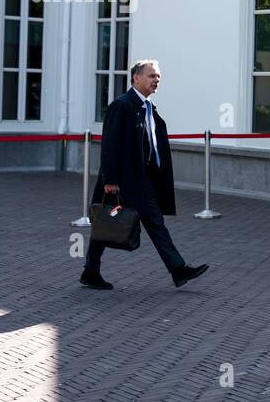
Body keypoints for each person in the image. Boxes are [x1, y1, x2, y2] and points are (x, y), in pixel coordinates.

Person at [80, 59, 209, 290]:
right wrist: (110, 180)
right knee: (110, 223)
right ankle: (178, 269)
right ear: (136, 78)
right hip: (122, 180)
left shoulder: (149, 108)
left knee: (117, 223)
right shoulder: (122, 105)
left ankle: (91, 271)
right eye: (151, 76)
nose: (156, 80)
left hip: (142, 178)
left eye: (158, 76)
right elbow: (109, 144)